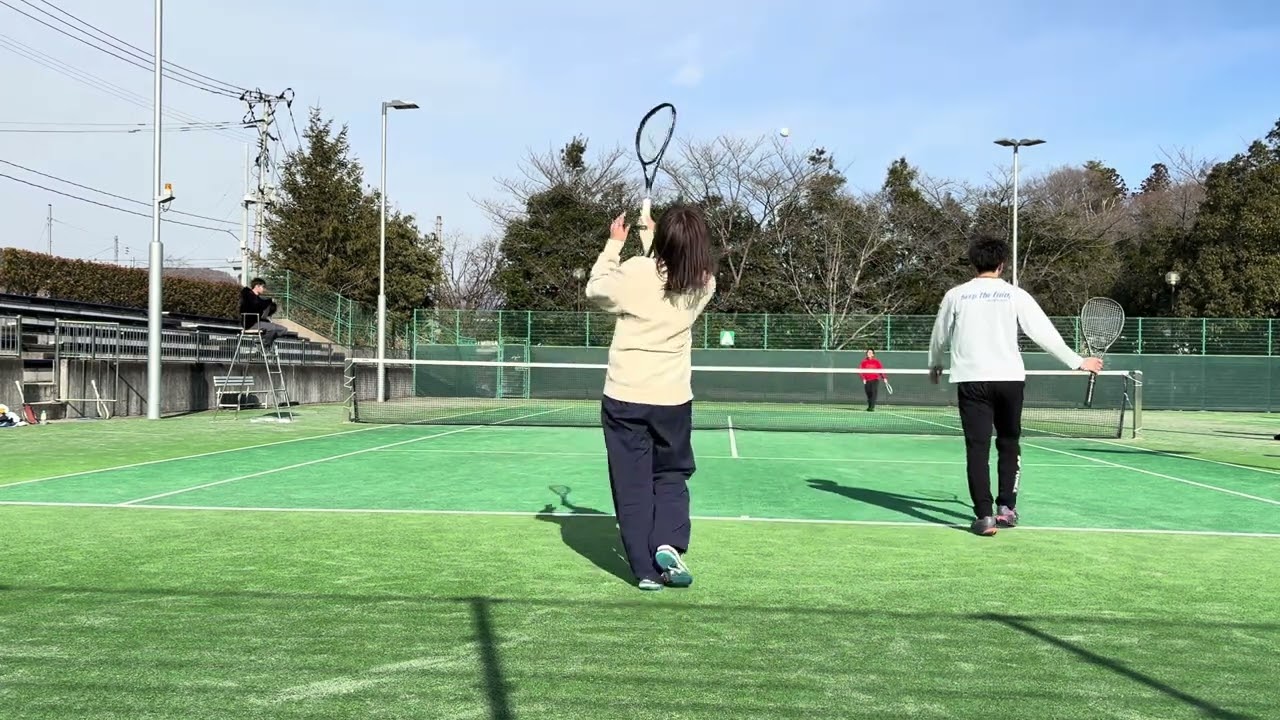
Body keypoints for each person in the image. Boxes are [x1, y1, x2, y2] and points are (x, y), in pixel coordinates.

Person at [927, 235, 1103, 536]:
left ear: (973, 262)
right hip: (1009, 380)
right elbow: (1042, 332)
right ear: (1002, 264)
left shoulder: (955, 295)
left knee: (977, 448)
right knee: (1008, 442)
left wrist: (934, 363)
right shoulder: (1014, 294)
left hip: (971, 381)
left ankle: (984, 517)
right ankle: (1006, 509)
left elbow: (939, 334)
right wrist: (1077, 361)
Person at [585, 205, 717, 591]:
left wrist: (614, 244)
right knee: (671, 475)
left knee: (633, 484)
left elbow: (597, 288)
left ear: (661, 241)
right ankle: (668, 543)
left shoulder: (635, 272)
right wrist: (653, 239)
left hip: (625, 396)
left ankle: (644, 570)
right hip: (673, 400)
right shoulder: (704, 283)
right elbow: (667, 271)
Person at [239, 278, 287, 350]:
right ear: (257, 286)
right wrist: (269, 301)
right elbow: (257, 304)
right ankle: (264, 347)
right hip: (250, 324)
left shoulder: (257, 298)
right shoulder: (248, 296)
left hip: (258, 321)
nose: (264, 289)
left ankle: (262, 342)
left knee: (283, 329)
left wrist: (272, 307)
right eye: (263, 287)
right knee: (272, 328)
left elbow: (261, 305)